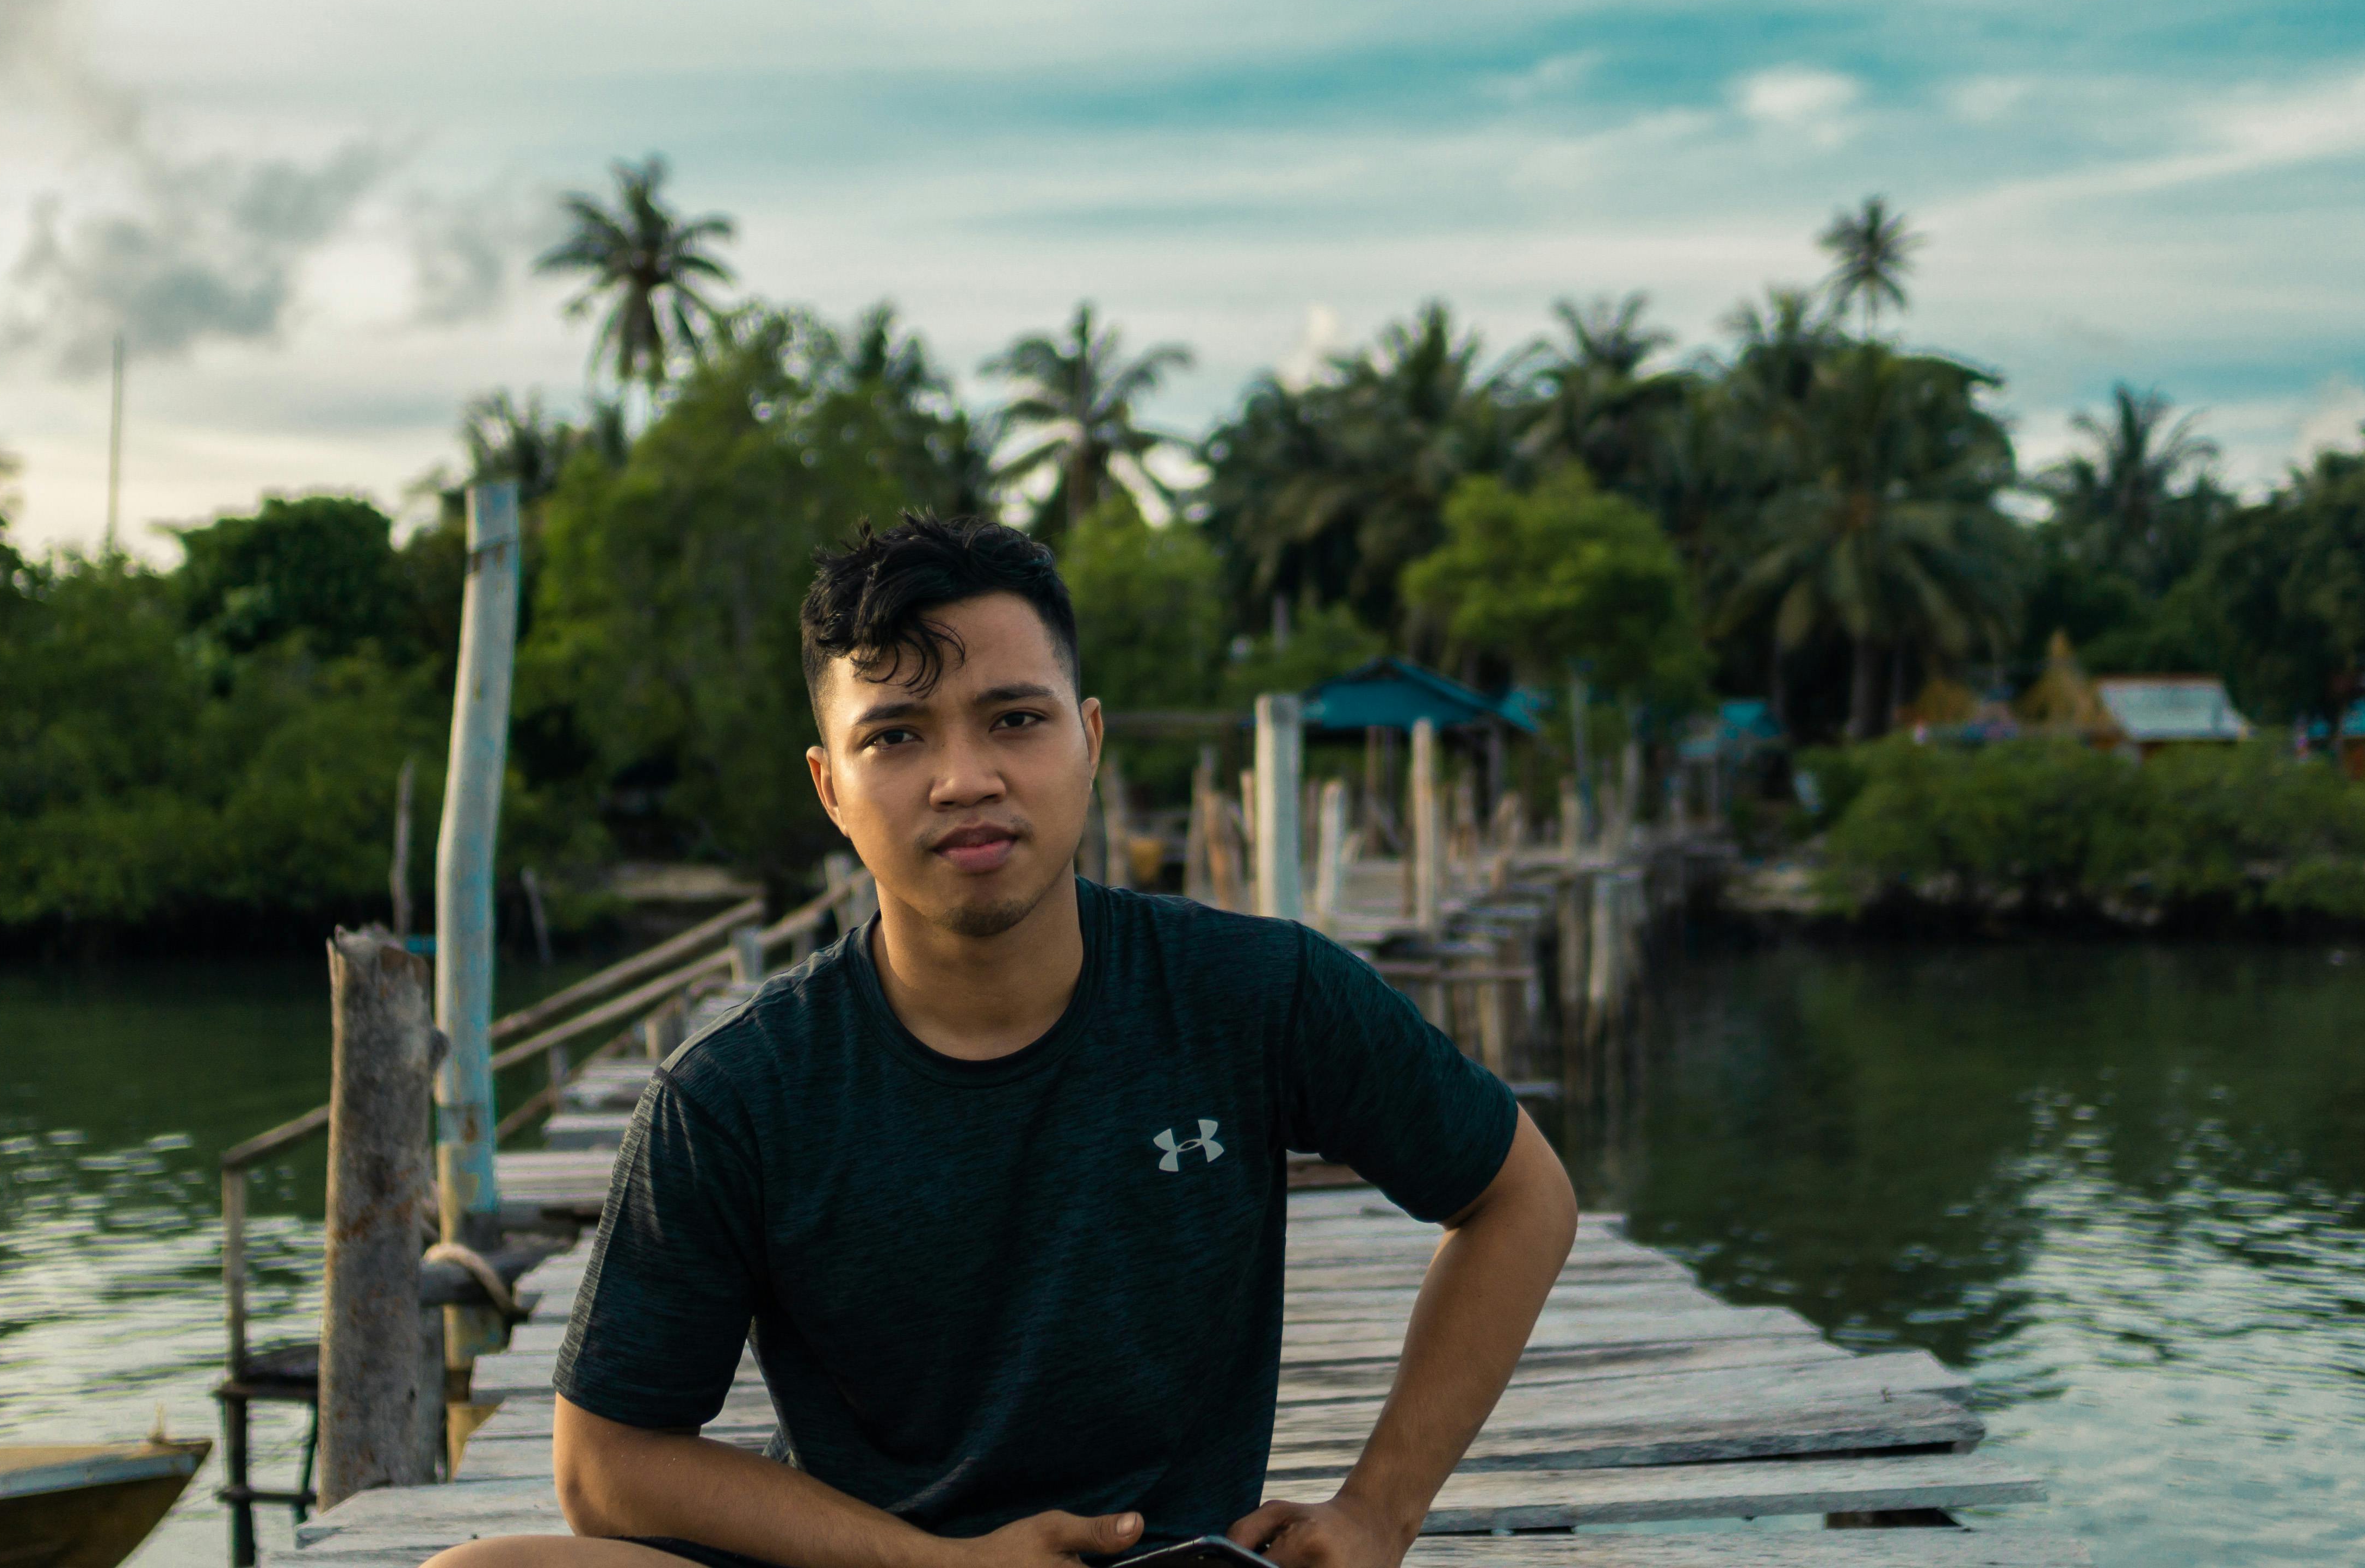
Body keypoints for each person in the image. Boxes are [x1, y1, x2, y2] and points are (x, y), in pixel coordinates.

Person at [429, 513, 1575, 1568]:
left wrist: (1380, 1507)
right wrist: (938, 1565)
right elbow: (602, 1464)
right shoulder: (734, 1096)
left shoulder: (1255, 991)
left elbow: (1522, 1196)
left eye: (1015, 719)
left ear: (1088, 740)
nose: (965, 778)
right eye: (897, 736)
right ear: (832, 788)